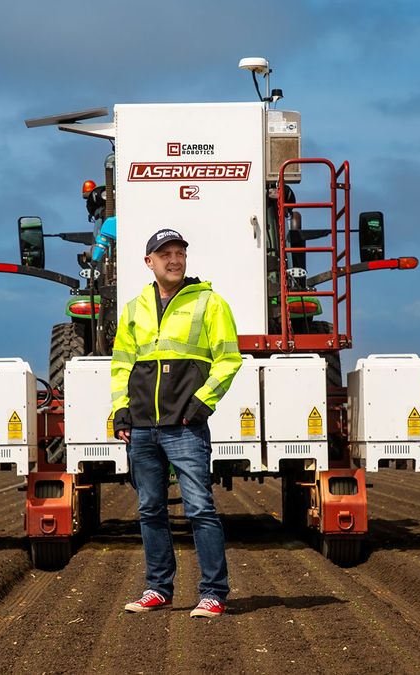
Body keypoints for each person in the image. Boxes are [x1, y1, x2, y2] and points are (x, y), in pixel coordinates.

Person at [111, 228, 242, 618]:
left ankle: (214, 593)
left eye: (179, 253)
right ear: (149, 262)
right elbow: (121, 366)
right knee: (150, 510)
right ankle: (158, 589)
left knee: (200, 509)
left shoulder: (209, 302)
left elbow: (229, 360)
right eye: (165, 254)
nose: (174, 260)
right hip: (142, 427)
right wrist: (121, 413)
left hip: (185, 426)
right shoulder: (134, 309)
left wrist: (202, 403)